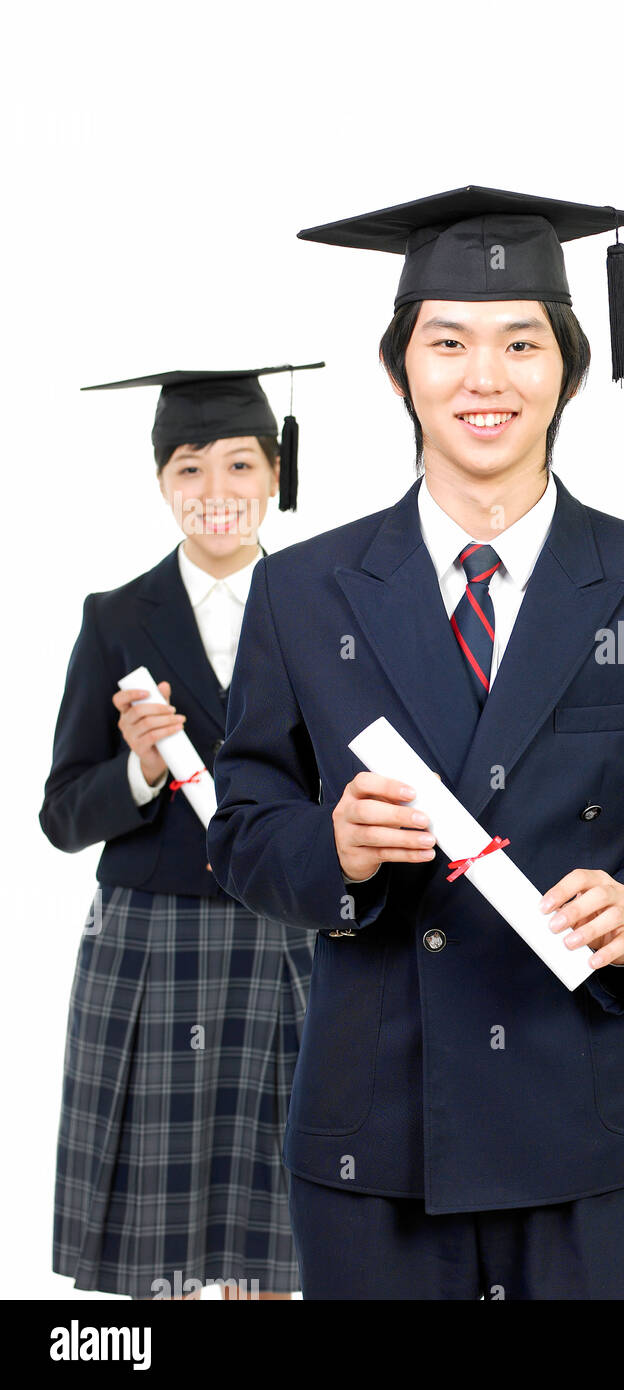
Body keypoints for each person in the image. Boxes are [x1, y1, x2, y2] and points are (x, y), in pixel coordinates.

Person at [206, 187, 624, 1300]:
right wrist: (337, 852)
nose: (484, 377)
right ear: (396, 369)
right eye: (447, 342)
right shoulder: (301, 590)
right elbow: (240, 822)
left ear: (564, 363)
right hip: (379, 1130)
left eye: (520, 343)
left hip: (594, 1122)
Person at [41, 362, 322, 1299]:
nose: (217, 495)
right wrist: (142, 769)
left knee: (278, 1223)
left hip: (288, 930)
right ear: (161, 482)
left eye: (240, 467)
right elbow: (62, 813)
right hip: (153, 941)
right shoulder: (117, 619)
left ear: (275, 476)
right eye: (190, 470)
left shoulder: (330, 608)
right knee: (158, 1239)